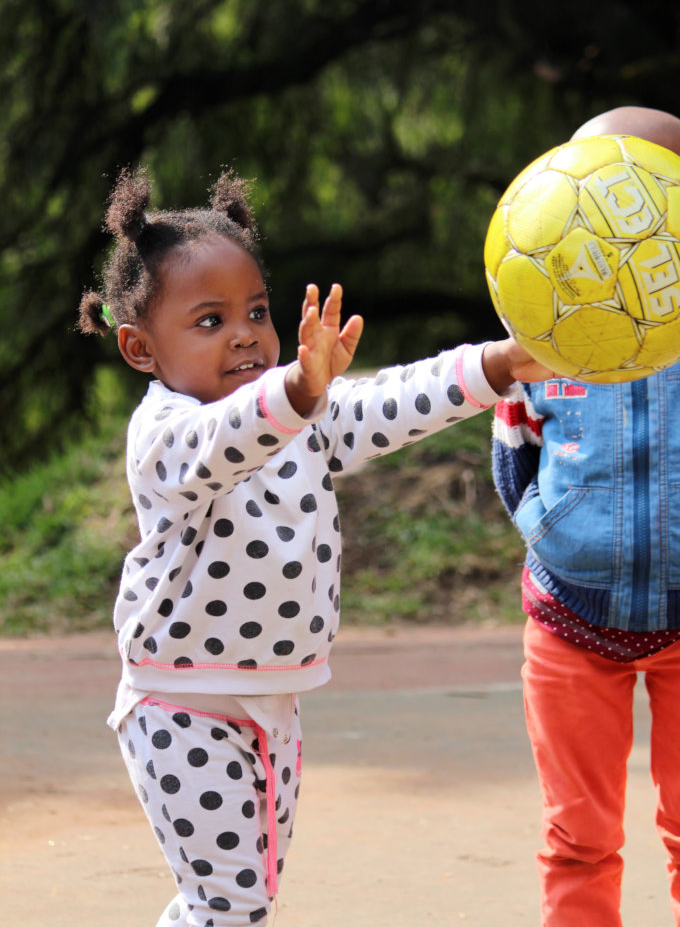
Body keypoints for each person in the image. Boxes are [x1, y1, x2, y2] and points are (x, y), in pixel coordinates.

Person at [79, 166, 550, 927]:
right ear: (140, 348)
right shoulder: (166, 436)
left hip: (277, 701)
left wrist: (498, 364)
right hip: (181, 702)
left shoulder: (303, 415)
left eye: (257, 311)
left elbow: (389, 399)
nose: (245, 334)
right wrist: (298, 390)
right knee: (227, 905)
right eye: (209, 321)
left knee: (241, 901)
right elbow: (224, 442)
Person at [491, 105, 680, 927]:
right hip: (570, 618)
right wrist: (546, 526)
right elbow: (514, 452)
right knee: (578, 837)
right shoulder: (547, 327)